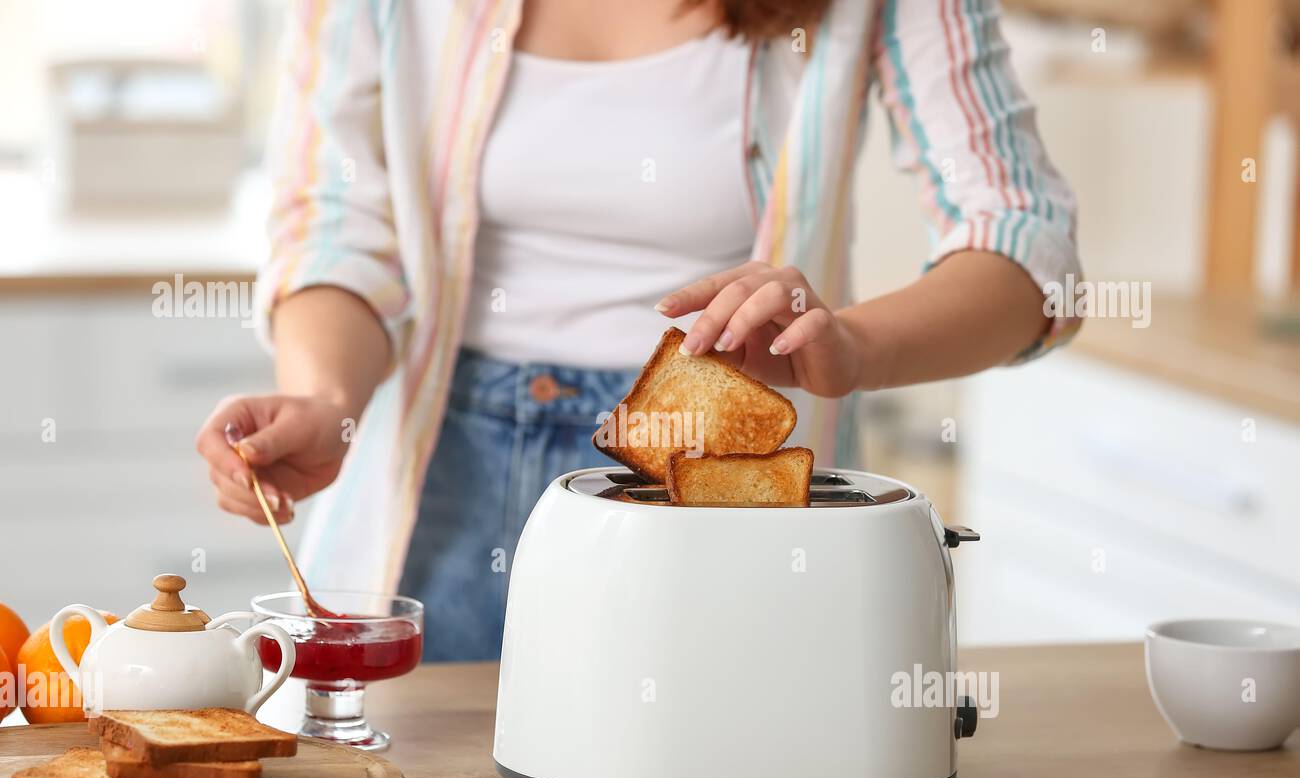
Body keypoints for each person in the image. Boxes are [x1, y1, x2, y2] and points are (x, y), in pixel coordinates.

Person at [196, 0, 1081, 661]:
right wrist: (323, 397)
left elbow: (1026, 249)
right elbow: (334, 224)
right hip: (435, 497)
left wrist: (849, 346)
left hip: (715, 496)